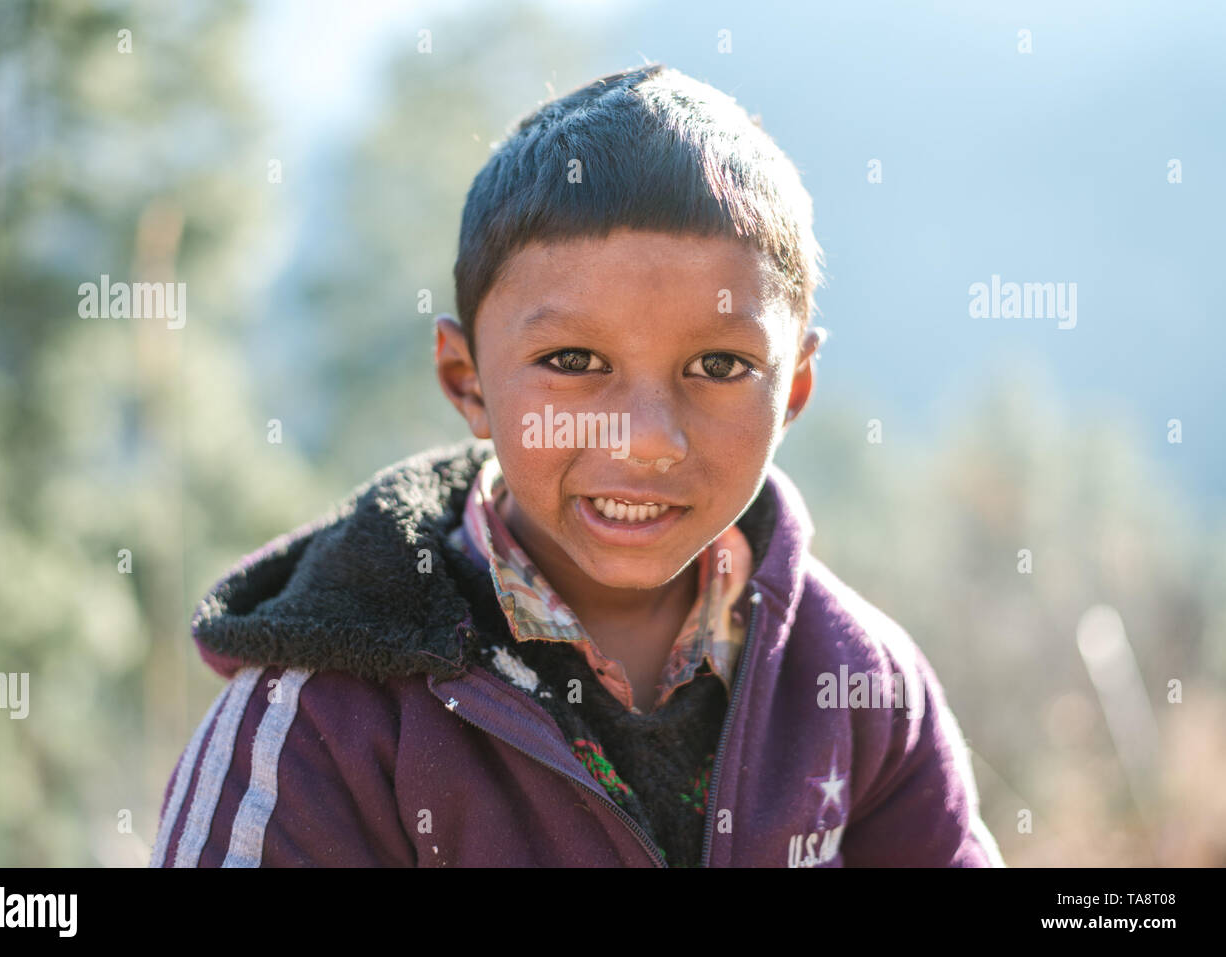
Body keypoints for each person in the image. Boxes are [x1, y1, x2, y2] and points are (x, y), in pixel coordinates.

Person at [151, 63, 1004, 868]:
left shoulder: (859, 687)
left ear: (794, 389)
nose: (647, 440)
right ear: (468, 379)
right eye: (572, 360)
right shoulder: (323, 726)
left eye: (718, 367)